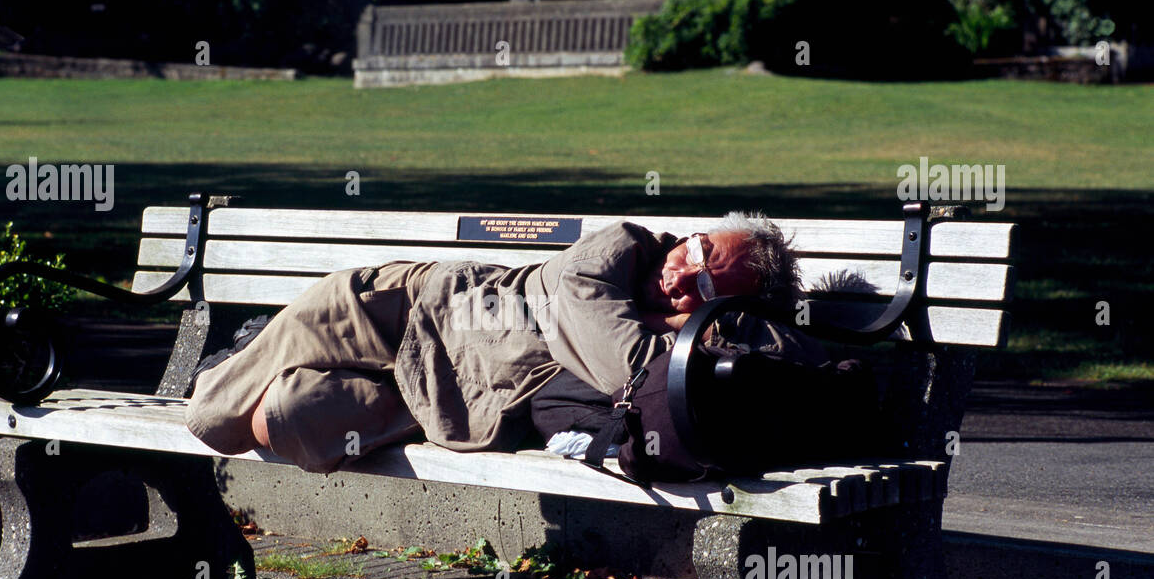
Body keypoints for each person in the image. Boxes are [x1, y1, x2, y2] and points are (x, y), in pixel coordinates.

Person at [184, 212, 824, 473]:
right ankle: (238, 354)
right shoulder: (615, 252)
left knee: (282, 420)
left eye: (705, 283)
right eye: (698, 248)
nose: (683, 271)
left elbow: (783, 355)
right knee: (211, 419)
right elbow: (628, 368)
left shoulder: (678, 320)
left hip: (449, 401)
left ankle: (249, 355)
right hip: (401, 312)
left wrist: (713, 321)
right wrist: (687, 326)